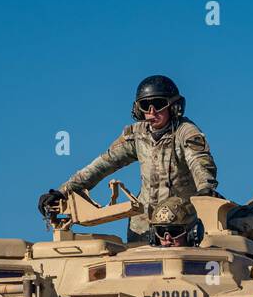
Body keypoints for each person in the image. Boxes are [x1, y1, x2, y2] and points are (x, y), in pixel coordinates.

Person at [39, 75, 218, 243]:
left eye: (158, 103)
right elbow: (104, 164)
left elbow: (199, 161)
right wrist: (64, 191)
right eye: (145, 105)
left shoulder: (185, 132)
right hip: (143, 224)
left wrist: (205, 189)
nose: (151, 111)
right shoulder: (136, 135)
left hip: (181, 222)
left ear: (174, 107)